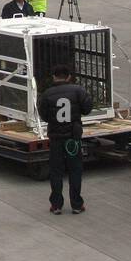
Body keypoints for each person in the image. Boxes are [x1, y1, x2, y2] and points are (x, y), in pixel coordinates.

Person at [37, 64, 93, 214]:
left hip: (56, 137)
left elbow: (43, 115)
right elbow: (87, 109)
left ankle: (56, 205)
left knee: (56, 171)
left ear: (54, 77)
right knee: (75, 170)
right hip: (72, 138)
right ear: (69, 77)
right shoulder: (78, 91)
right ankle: (76, 204)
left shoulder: (47, 94)